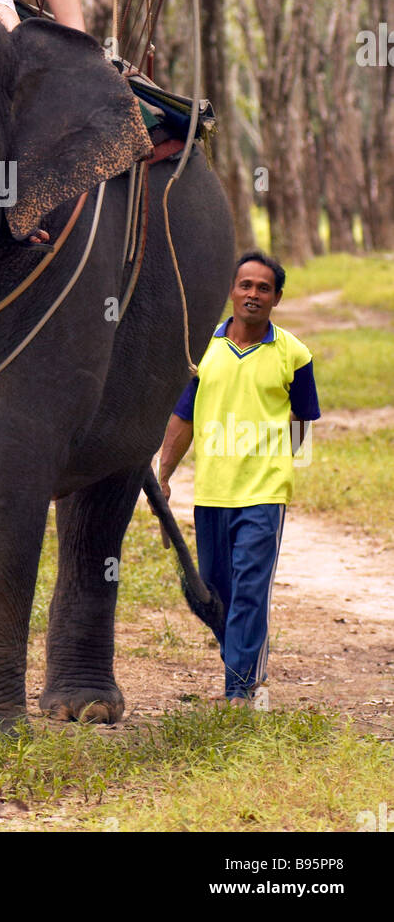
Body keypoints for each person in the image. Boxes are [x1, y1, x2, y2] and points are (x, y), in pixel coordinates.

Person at [156, 251, 321, 707]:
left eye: (263, 288)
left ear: (277, 298)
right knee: (212, 589)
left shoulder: (294, 353)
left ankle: (240, 690)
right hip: (212, 492)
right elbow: (182, 417)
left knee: (250, 586)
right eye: (245, 285)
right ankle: (245, 663)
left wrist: (287, 469)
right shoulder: (202, 351)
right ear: (232, 290)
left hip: (264, 492)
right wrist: (164, 474)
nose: (253, 294)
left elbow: (304, 416)